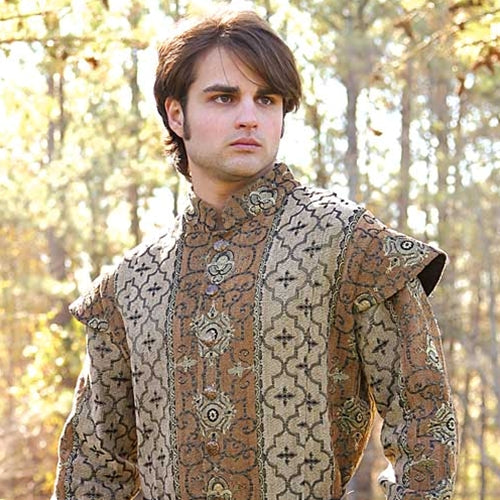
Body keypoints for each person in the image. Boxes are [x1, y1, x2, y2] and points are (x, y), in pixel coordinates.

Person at [53, 9, 457, 500]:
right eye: (224, 97)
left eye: (266, 99)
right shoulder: (132, 283)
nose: (249, 116)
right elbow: (94, 467)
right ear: (176, 114)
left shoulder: (348, 242)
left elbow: (424, 422)